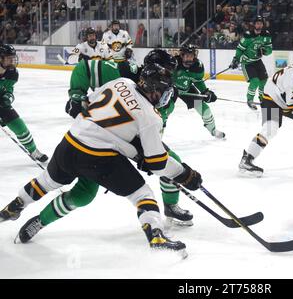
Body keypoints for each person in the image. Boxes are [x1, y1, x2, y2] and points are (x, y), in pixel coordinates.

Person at [0, 62, 203, 255]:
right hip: (98, 158)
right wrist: (184, 174)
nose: (165, 97)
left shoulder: (121, 82)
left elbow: (89, 104)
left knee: (48, 182)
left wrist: (130, 146)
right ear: (154, 89)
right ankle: (156, 237)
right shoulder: (151, 117)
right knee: (142, 195)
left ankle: (17, 204)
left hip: (70, 142)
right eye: (164, 91)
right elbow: (158, 163)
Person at [0, 44, 48, 163]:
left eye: (13, 57)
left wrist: (8, 97)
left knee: (20, 127)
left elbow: (9, 88)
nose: (12, 60)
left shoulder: (12, 72)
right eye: (8, 57)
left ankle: (34, 151)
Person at [171, 44, 225, 139]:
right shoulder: (173, 63)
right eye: (187, 56)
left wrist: (205, 91)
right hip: (170, 90)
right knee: (164, 111)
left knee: (206, 110)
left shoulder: (197, 66)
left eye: (191, 56)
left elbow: (198, 82)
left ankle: (213, 130)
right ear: (182, 55)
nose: (189, 59)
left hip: (187, 90)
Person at [229, 15, 272, 110]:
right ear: (254, 24)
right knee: (255, 81)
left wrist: (264, 51)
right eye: (257, 23)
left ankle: (262, 98)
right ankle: (250, 100)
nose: (259, 25)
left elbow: (269, 50)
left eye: (261, 23)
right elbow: (240, 49)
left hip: (257, 61)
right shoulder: (248, 35)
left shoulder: (266, 34)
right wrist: (236, 59)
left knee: (264, 80)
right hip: (247, 62)